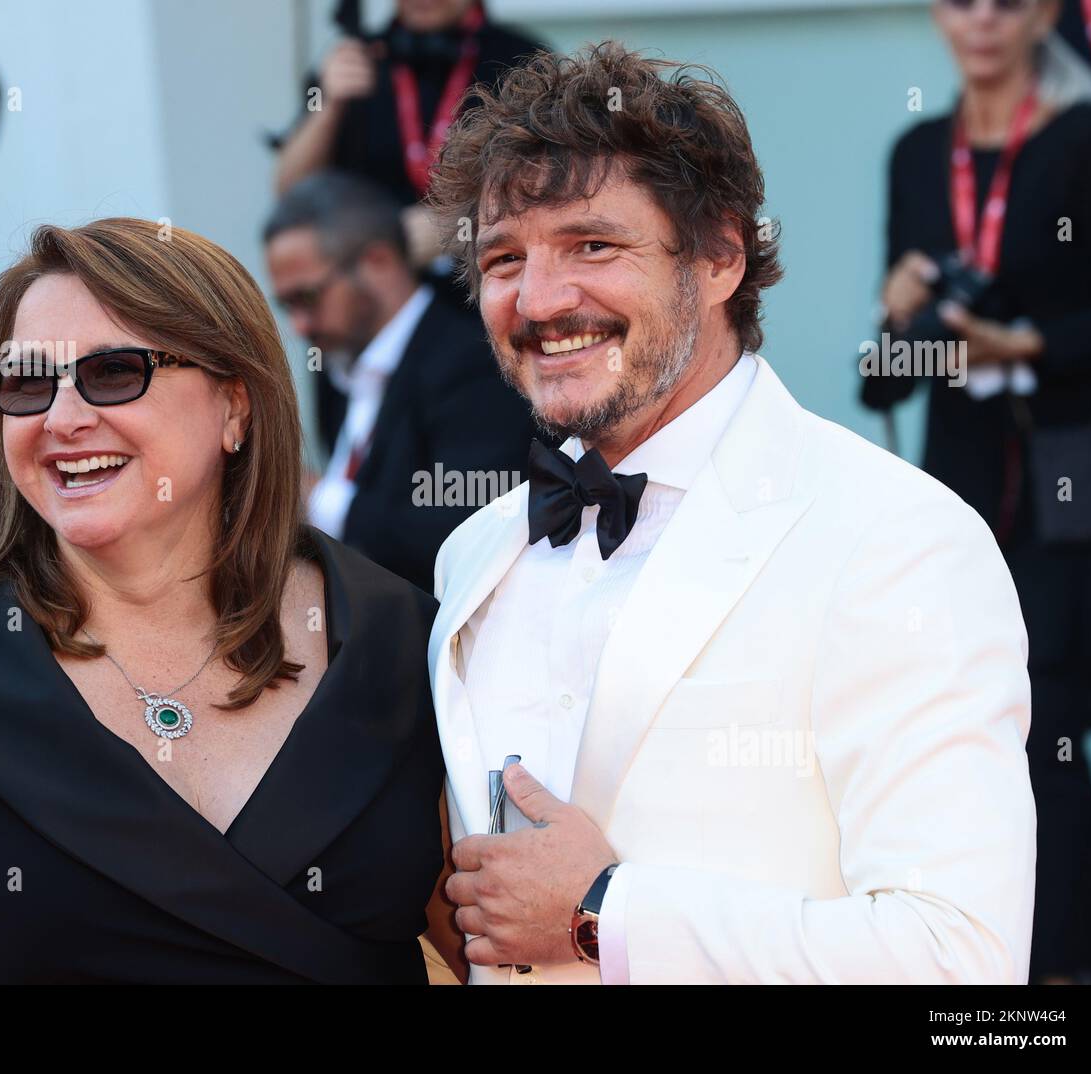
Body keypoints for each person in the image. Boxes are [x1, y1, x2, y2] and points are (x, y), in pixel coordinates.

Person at [425, 42, 1036, 984]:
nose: (540, 300)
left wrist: (603, 915)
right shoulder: (475, 553)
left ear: (718, 256)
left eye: (593, 244)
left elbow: (960, 964)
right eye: (505, 258)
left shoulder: (900, 540)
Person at [0, 218, 456, 984]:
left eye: (114, 372)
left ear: (235, 407)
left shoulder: (399, 642)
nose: (61, 419)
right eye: (27, 382)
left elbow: (513, 962)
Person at [862, 0, 1091, 983]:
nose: (981, 22)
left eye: (1006, 3)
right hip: (959, 481)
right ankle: (973, 954)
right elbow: (886, 376)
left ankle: (1055, 972)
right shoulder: (917, 152)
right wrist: (898, 315)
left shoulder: (1088, 141)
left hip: (1067, 473)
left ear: (1044, 14)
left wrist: (1033, 344)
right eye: (961, 1)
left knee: (1046, 721)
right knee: (965, 725)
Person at [265, 170, 540, 594]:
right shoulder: (341, 359)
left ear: (377, 262)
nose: (299, 326)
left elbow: (471, 525)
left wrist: (319, 501)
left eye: (308, 297)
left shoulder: (472, 361)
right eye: (286, 305)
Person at [273, 0, 544, 304]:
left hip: (483, 290)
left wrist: (460, 224)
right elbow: (291, 190)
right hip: (375, 300)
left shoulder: (521, 59)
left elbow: (548, 188)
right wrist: (327, 104)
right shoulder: (357, 57)